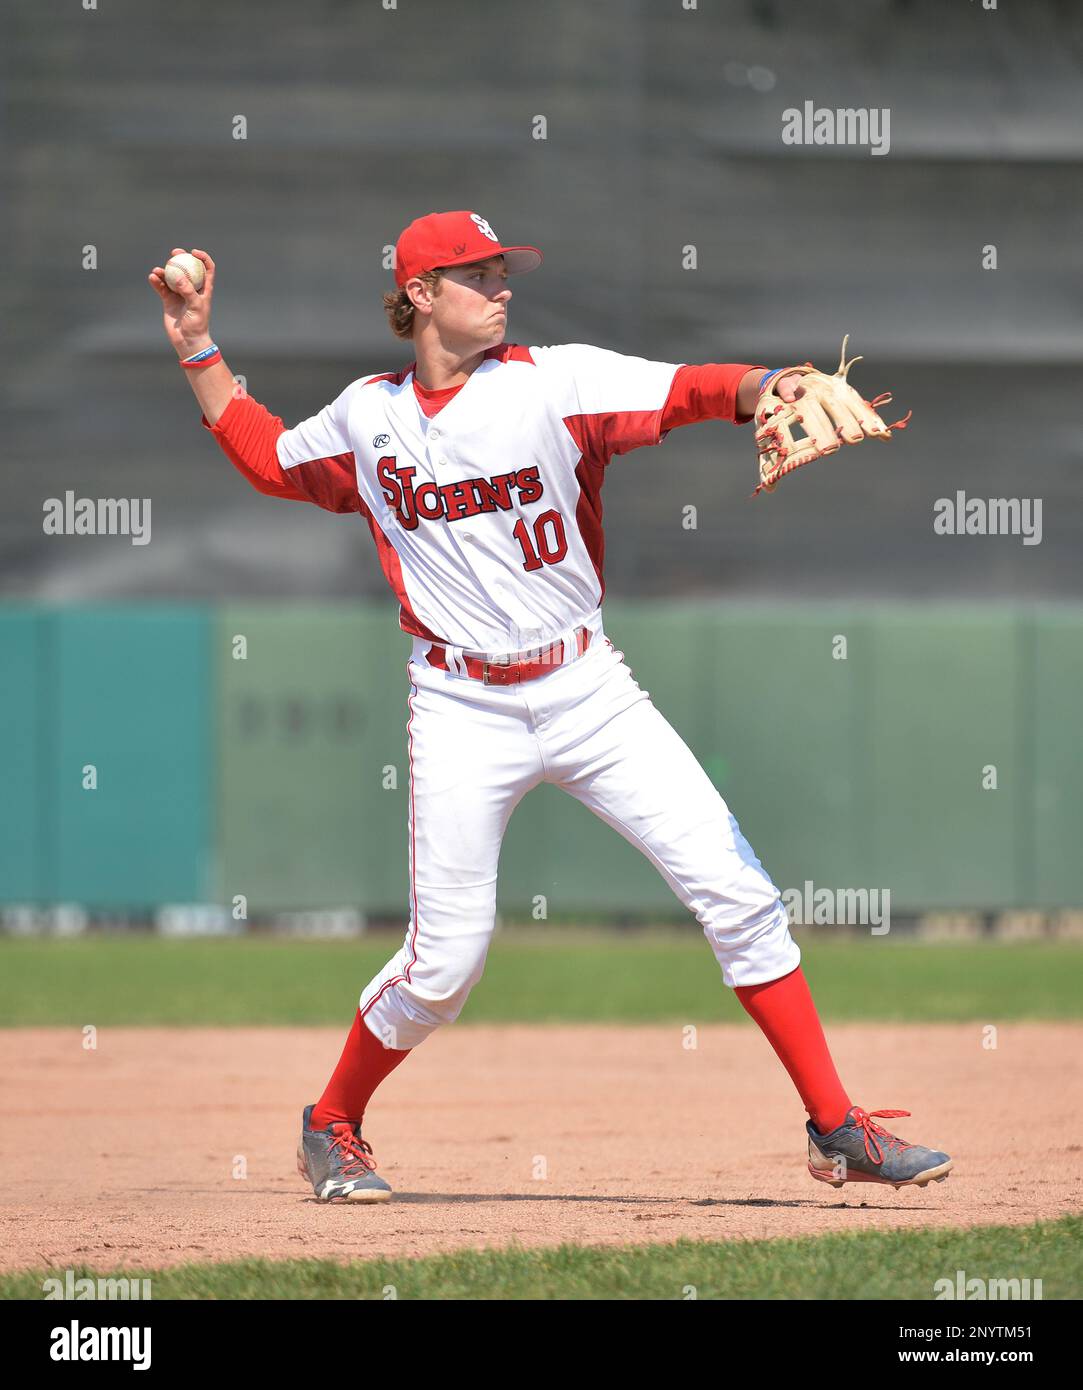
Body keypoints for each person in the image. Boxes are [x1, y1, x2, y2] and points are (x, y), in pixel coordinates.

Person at [149, 210, 953, 1204]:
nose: (501, 288)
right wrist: (195, 344)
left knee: (737, 890)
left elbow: (691, 389)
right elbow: (270, 456)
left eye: (502, 271)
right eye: (477, 274)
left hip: (586, 688)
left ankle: (837, 1128)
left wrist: (767, 388)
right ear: (419, 296)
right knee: (445, 967)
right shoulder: (369, 417)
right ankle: (332, 1121)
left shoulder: (553, 383)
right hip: (459, 704)